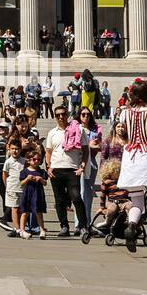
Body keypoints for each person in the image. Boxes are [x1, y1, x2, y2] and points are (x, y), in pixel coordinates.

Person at [115, 79, 147, 256]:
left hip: (132, 158)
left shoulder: (124, 114)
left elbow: (126, 135)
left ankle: (131, 226)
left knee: (137, 201)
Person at [44, 102, 88, 237]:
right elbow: (48, 151)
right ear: (55, 117)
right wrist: (48, 167)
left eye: (63, 114)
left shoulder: (78, 129)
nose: (61, 117)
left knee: (76, 197)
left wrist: (83, 166)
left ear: (68, 115)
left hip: (72, 169)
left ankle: (83, 226)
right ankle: (64, 226)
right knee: (59, 200)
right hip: (56, 169)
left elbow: (85, 149)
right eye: (58, 115)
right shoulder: (52, 133)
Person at [18, 146, 48, 239]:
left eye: (38, 159)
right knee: (25, 212)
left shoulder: (41, 171)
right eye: (34, 159)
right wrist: (27, 179)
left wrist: (41, 179)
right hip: (28, 193)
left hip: (38, 193)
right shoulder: (25, 171)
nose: (36, 161)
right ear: (28, 160)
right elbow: (21, 183)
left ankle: (42, 230)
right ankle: (22, 230)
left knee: (39, 213)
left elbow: (45, 183)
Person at [2, 139, 25, 238]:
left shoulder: (24, 161)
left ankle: (22, 227)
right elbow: (4, 174)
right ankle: (16, 228)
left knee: (22, 209)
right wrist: (7, 185)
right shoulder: (8, 162)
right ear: (9, 149)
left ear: (20, 150)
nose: (14, 151)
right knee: (14, 208)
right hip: (12, 188)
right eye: (12, 149)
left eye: (16, 149)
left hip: (22, 188)